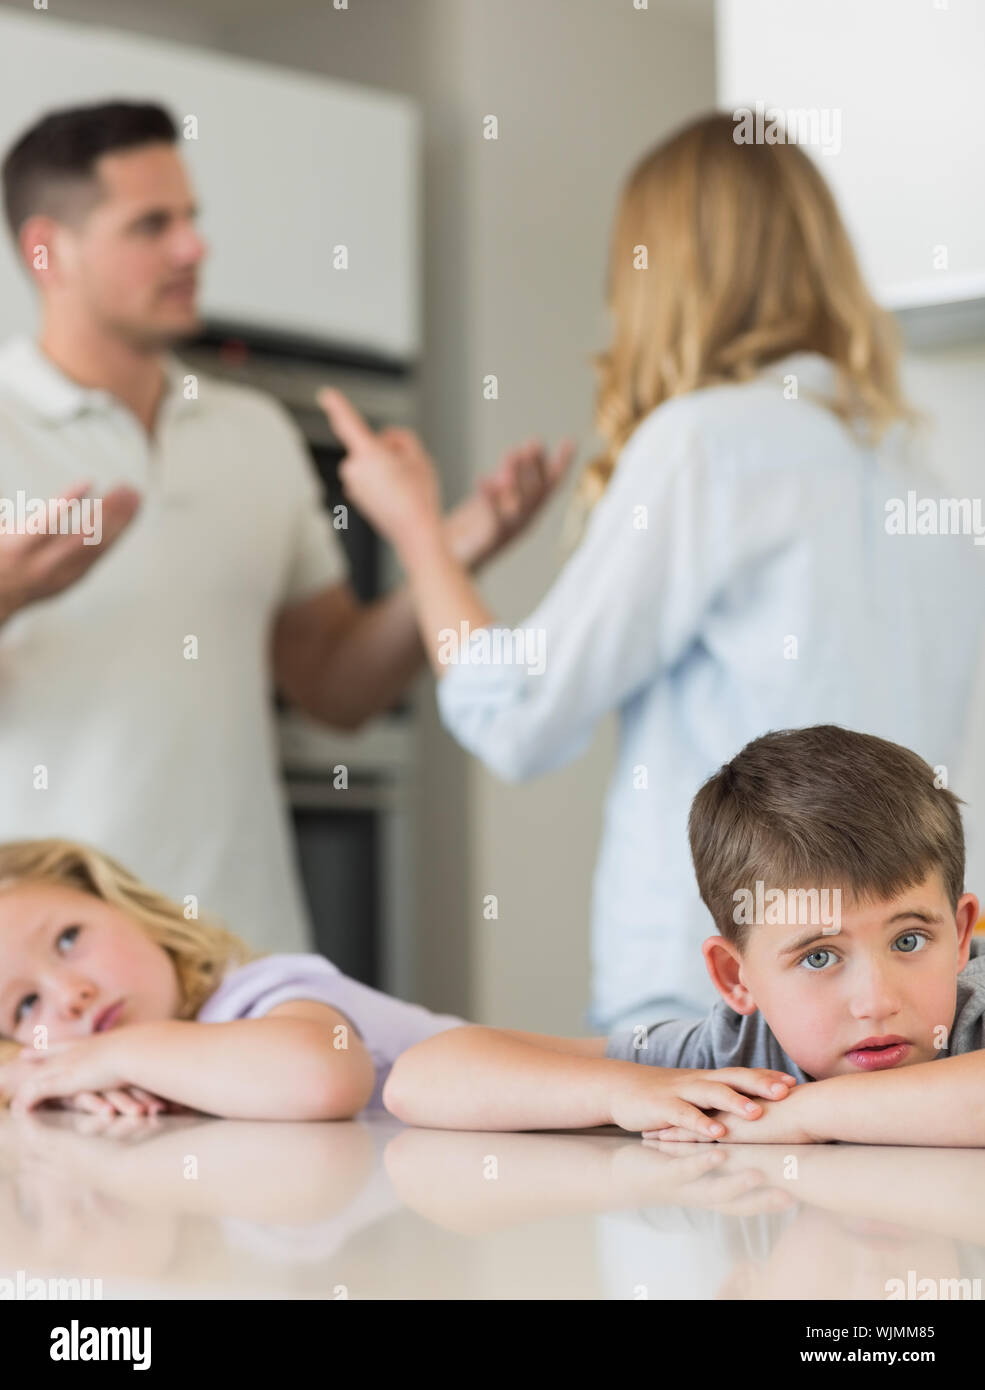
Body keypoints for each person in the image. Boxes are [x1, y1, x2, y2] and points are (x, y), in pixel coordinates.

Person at [319, 111, 985, 1033]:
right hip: (895, 993)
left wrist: (419, 533)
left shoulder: (706, 443)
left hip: (721, 998)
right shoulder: (919, 470)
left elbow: (515, 716)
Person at [0, 100, 572, 955]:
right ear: (48, 249)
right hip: (48, 972)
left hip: (243, 952)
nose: (193, 248)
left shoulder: (252, 432)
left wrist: (449, 548)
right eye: (150, 225)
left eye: (191, 218)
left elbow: (335, 687)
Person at [382, 725, 985, 1146]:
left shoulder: (971, 1011)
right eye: (820, 955)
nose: (876, 1000)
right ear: (735, 977)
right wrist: (625, 1092)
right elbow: (424, 1078)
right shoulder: (735, 1060)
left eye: (908, 941)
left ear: (960, 936)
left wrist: (806, 1115)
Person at [0, 837, 468, 1118]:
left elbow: (322, 1076)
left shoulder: (255, 994)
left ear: (129, 909)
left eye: (67, 940)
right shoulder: (144, 1073)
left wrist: (114, 1053)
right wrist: (46, 1079)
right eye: (25, 1005)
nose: (70, 995)